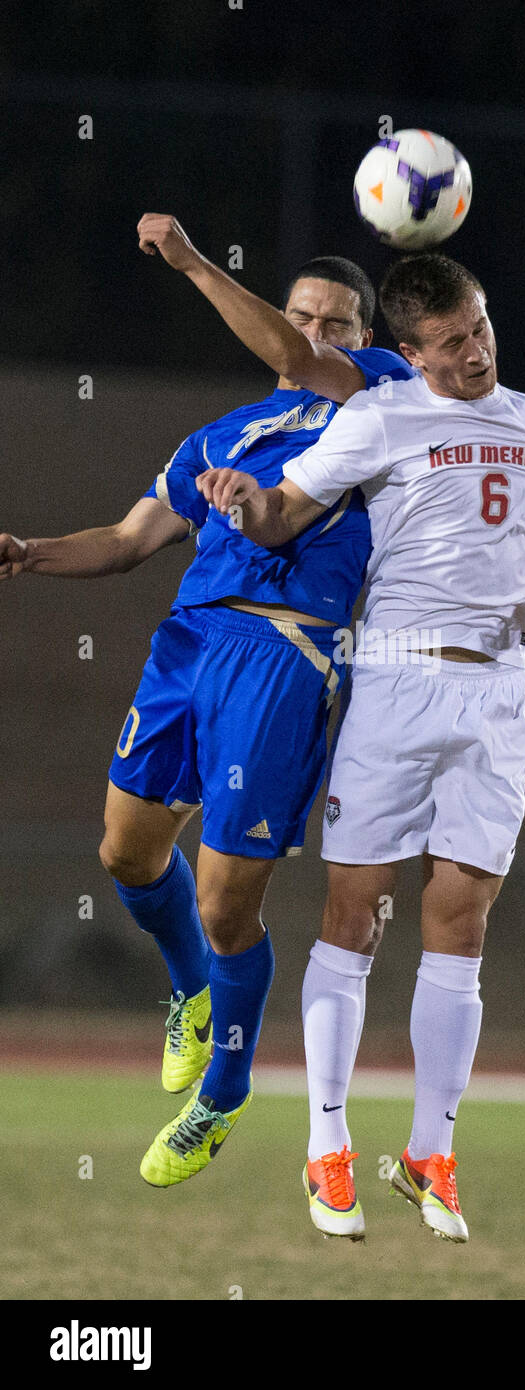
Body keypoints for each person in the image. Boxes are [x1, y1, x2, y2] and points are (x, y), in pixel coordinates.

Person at [195, 252, 525, 1242]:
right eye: (453, 341)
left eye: (481, 327)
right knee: (357, 909)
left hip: (500, 689)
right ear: (410, 354)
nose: (476, 350)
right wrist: (243, 504)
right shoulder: (379, 417)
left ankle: (431, 1152)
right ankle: (328, 1142)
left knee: (462, 920)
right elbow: (285, 510)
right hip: (395, 678)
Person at [0, 215, 413, 1189]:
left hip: (283, 651)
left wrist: (190, 262)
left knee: (230, 903)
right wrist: (32, 554)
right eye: (302, 315)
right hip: (188, 644)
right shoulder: (218, 437)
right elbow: (130, 538)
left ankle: (225, 1086)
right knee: (126, 849)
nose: (315, 335)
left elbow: (296, 357)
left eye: (337, 325)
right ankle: (191, 991)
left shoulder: (383, 399)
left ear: (366, 341)